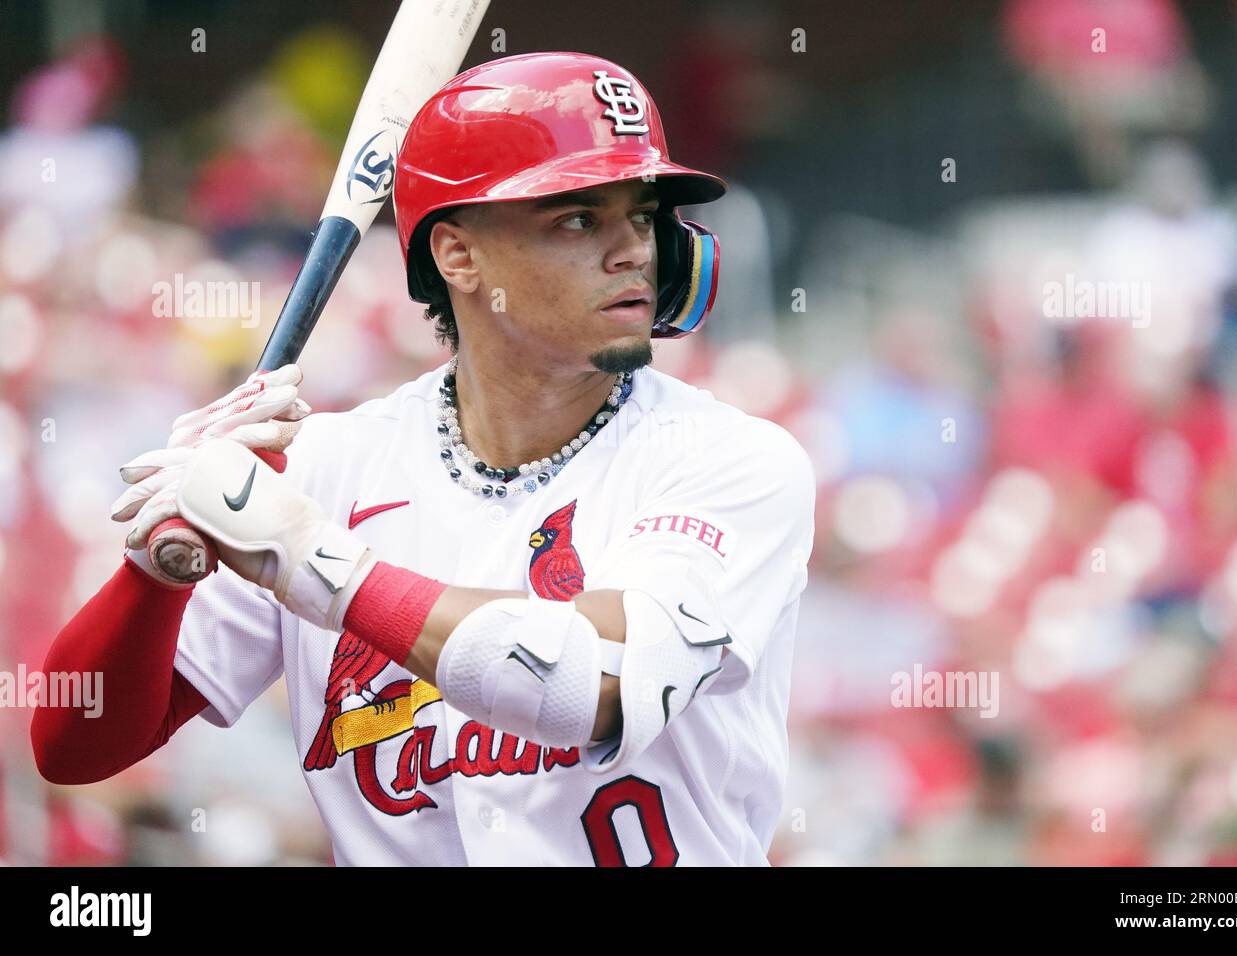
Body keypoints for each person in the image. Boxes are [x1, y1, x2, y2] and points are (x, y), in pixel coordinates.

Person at [31, 52, 816, 866]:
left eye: (644, 215)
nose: (636, 253)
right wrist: (158, 567)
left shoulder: (731, 459)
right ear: (458, 256)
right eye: (579, 218)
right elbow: (73, 745)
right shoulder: (328, 465)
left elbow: (591, 686)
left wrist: (309, 558)